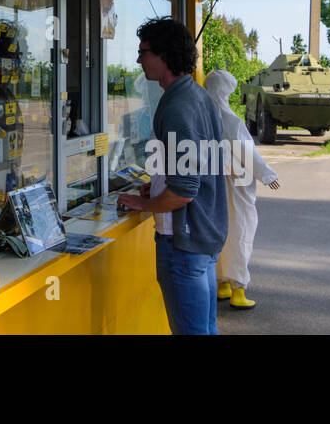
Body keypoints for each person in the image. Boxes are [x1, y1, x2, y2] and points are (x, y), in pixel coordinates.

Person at [117, 18, 229, 335]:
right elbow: (195, 166)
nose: (139, 60)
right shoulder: (196, 95)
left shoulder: (178, 106)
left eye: (144, 52)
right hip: (203, 237)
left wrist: (142, 205)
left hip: (184, 244)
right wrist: (160, 183)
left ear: (164, 55)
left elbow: (184, 191)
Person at [204, 69, 280, 310]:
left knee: (220, 232)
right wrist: (268, 175)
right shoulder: (232, 120)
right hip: (237, 183)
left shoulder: (202, 117)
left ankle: (222, 284)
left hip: (213, 184)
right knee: (241, 231)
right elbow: (249, 154)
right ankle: (238, 289)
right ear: (226, 90)